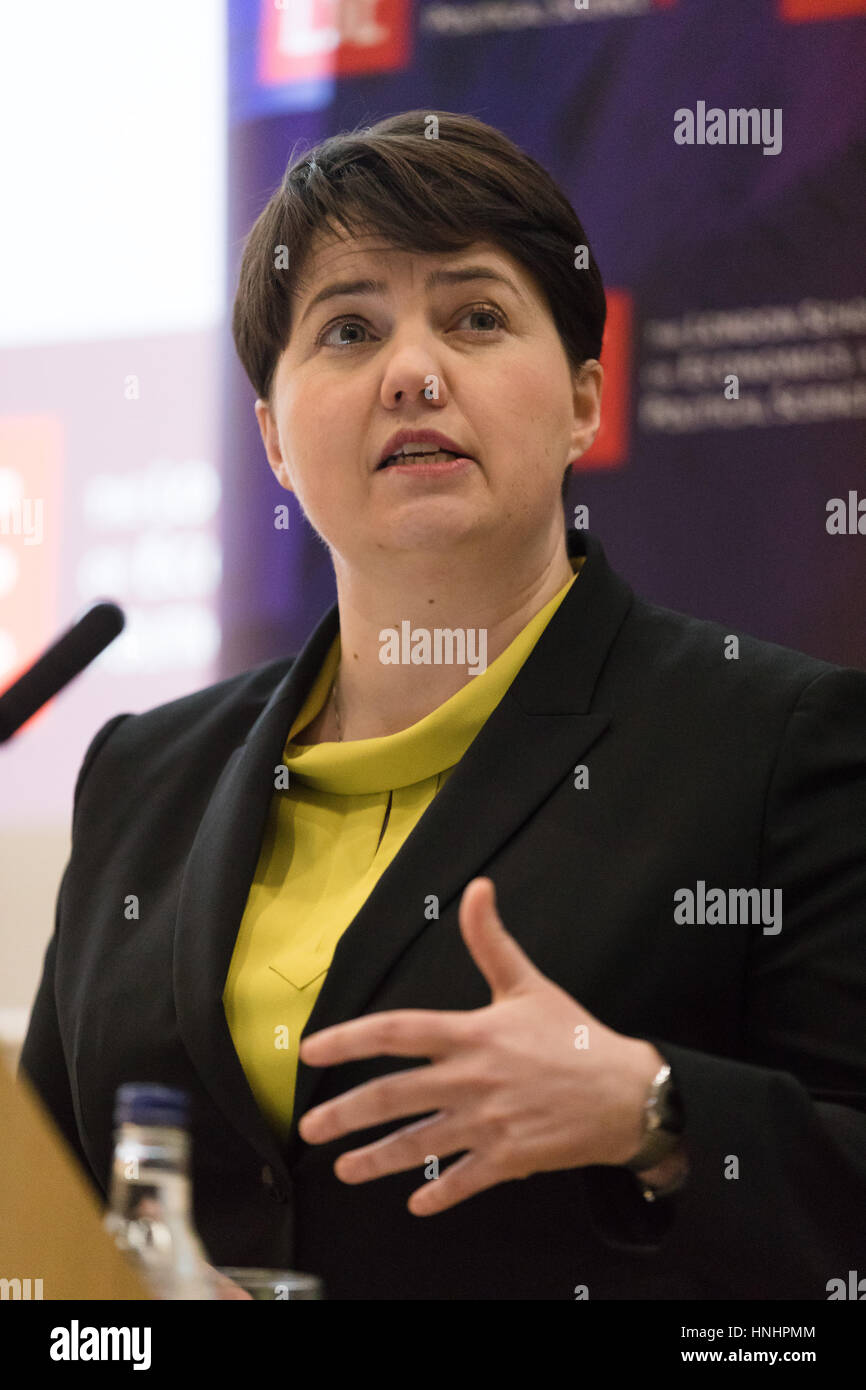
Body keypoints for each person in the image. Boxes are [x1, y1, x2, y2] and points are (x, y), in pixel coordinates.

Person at [20, 111, 866, 1301]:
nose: (412, 371)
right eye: (349, 329)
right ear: (269, 436)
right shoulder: (144, 775)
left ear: (583, 400)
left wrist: (653, 1111)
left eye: (474, 317)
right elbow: (46, 1225)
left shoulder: (777, 744)